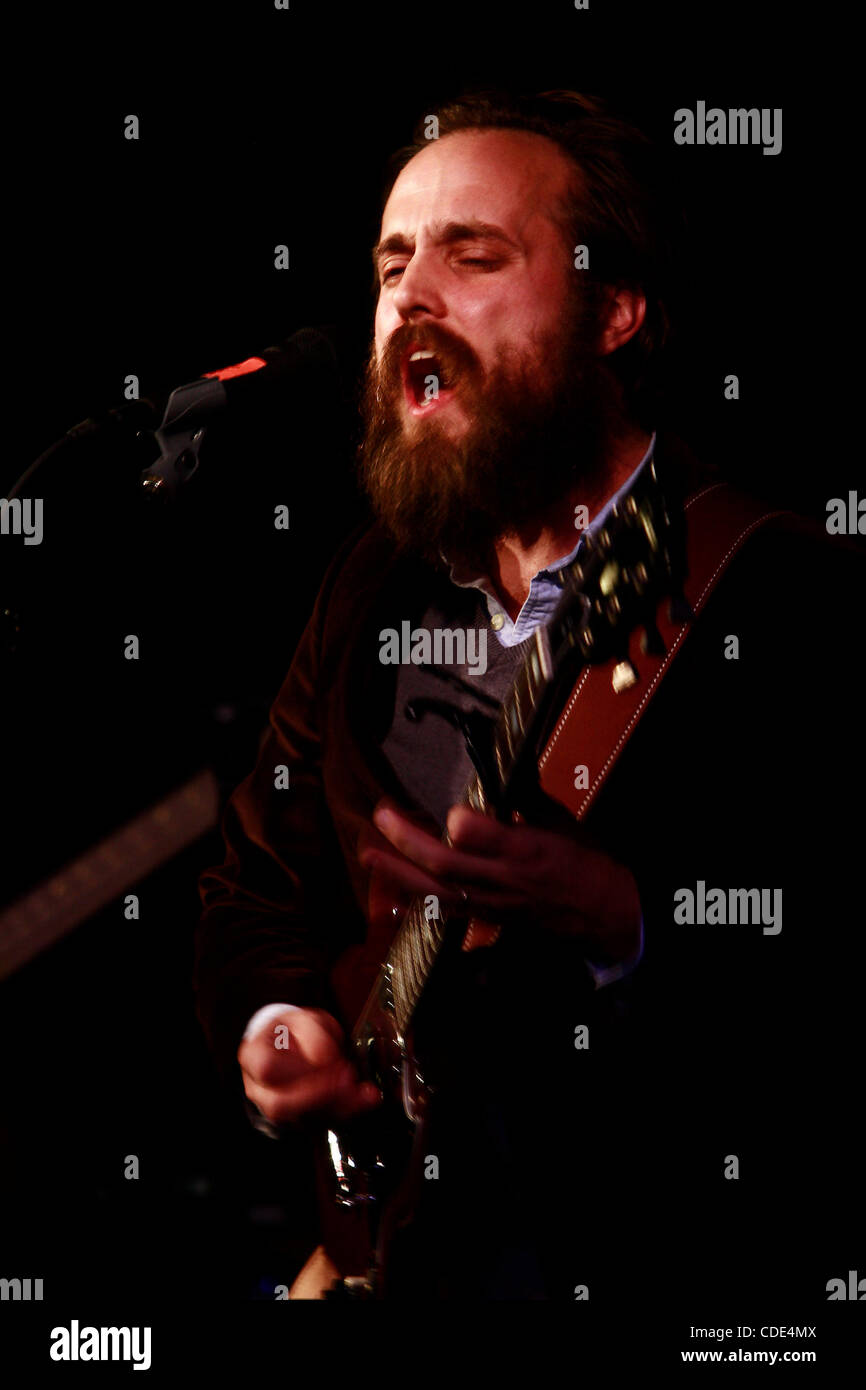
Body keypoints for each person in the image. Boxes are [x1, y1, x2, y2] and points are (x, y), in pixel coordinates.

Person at [195, 91, 863, 1304]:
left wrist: (630, 926)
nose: (412, 298)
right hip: (393, 1247)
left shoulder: (781, 593)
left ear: (614, 312)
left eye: (473, 254)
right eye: (393, 261)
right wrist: (276, 1015)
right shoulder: (369, 580)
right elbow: (256, 870)